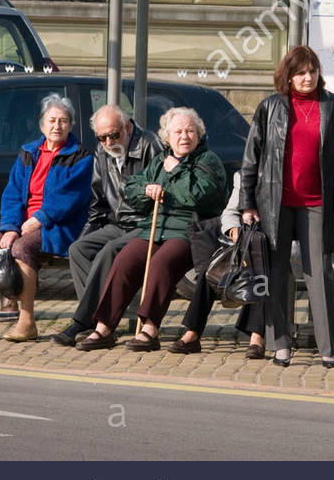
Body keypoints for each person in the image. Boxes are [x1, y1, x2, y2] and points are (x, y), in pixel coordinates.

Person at [240, 46, 334, 368]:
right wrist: (247, 203)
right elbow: (252, 159)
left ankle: (327, 348)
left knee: (318, 272)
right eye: (301, 72)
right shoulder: (270, 107)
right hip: (275, 204)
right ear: (288, 76)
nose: (308, 78)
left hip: (318, 202)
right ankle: (280, 344)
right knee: (277, 273)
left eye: (312, 71)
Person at [76, 107, 228, 351]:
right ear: (168, 137)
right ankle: (104, 326)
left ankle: (149, 328)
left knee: (161, 262)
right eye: (178, 131)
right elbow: (133, 188)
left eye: (190, 131)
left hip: (191, 231)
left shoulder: (208, 161)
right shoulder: (160, 161)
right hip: (155, 227)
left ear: (198, 134)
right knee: (125, 259)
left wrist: (175, 172)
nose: (184, 136)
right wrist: (147, 190)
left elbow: (197, 196)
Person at [0, 94, 93, 342]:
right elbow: (11, 194)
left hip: (59, 226)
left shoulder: (81, 157)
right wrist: (10, 227)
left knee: (23, 247)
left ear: (71, 125)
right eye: (52, 120)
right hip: (23, 224)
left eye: (64, 121)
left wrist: (40, 219)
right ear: (42, 124)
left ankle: (26, 322)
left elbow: (69, 198)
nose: (57, 126)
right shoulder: (28, 153)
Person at [52, 105, 163, 346]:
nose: (109, 141)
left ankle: (87, 323)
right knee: (79, 249)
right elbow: (98, 203)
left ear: (128, 127)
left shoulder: (149, 145)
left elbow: (161, 190)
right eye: (102, 137)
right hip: (119, 223)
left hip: (145, 222)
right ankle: (94, 320)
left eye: (114, 135)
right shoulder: (102, 153)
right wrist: (86, 236)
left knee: (109, 251)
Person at [171, 172, 267, 357]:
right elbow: (229, 213)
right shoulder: (242, 175)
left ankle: (257, 338)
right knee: (210, 270)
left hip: (269, 245)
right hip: (242, 243)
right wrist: (233, 228)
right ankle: (193, 332)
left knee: (261, 270)